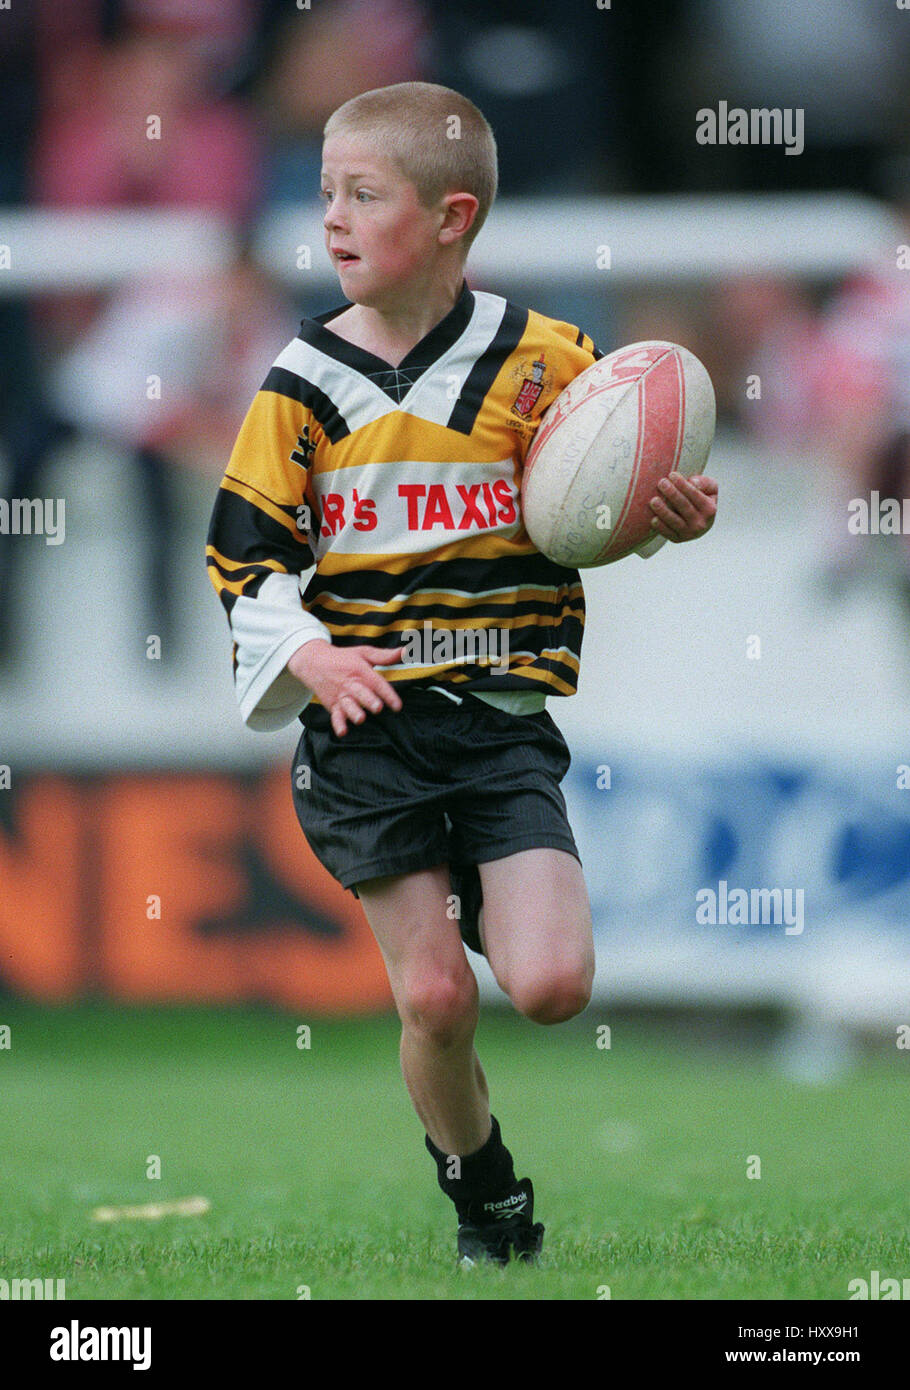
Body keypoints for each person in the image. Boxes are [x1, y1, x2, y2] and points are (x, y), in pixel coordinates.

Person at [206, 81, 718, 1266]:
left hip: (497, 726)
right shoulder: (300, 385)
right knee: (434, 999)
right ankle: (485, 1196)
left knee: (548, 986)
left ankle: (498, 903)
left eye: (362, 195)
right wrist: (310, 652)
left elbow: (588, 506)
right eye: (324, 193)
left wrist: (661, 515)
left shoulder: (547, 363)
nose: (330, 219)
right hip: (368, 731)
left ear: (452, 216)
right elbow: (244, 556)